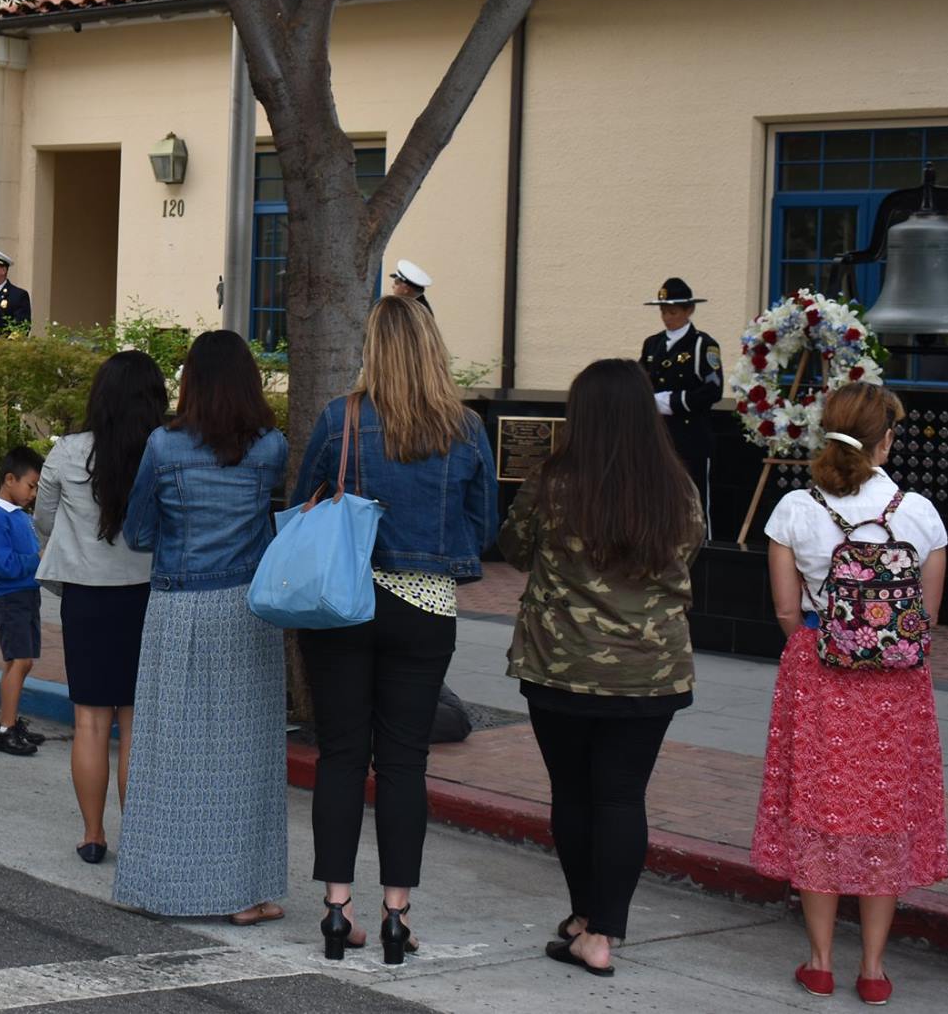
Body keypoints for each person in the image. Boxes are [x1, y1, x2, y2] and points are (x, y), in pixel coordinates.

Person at [291, 296, 496, 963]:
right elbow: (485, 527)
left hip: (345, 603)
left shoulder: (340, 418)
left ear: (372, 348)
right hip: (425, 607)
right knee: (405, 762)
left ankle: (336, 909)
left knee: (342, 755)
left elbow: (304, 501)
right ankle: (396, 917)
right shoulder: (464, 427)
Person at [498, 358, 702, 978]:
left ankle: (584, 917)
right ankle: (603, 931)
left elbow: (511, 548)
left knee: (573, 792)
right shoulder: (678, 486)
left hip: (561, 664)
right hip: (651, 669)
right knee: (621, 796)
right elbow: (692, 550)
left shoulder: (553, 480)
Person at [753, 383, 948, 1007]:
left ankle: (819, 961)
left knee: (820, 808)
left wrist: (827, 640)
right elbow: (929, 617)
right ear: (886, 438)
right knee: (883, 814)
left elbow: (786, 610)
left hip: (818, 671)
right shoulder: (919, 513)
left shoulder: (794, 509)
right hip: (896, 685)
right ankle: (873, 968)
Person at [113, 329, 288, 926]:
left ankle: (164, 884)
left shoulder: (164, 446)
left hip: (177, 606)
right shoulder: (270, 448)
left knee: (170, 750)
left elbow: (137, 533)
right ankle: (248, 893)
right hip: (246, 607)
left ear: (189, 381)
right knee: (249, 752)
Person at [34, 349, 163, 865]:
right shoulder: (164, 449)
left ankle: (92, 835)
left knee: (90, 719)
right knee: (134, 721)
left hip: (86, 596)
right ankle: (136, 838)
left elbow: (44, 519)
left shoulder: (67, 452)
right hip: (147, 594)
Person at [0, 446, 45, 757]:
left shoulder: (16, 517)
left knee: (16, 661)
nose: (33, 493)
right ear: (9, 479)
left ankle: (10, 720)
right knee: (21, 660)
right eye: (30, 485)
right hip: (11, 599)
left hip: (25, 596)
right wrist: (35, 561)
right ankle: (5, 728)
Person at [639, 278, 722, 531]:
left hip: (691, 436)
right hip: (660, 435)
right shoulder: (652, 344)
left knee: (694, 498)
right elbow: (641, 380)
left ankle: (702, 548)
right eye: (663, 311)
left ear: (689, 310)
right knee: (657, 498)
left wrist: (672, 402)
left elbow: (713, 389)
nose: (667, 317)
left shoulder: (703, 344)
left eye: (673, 311)